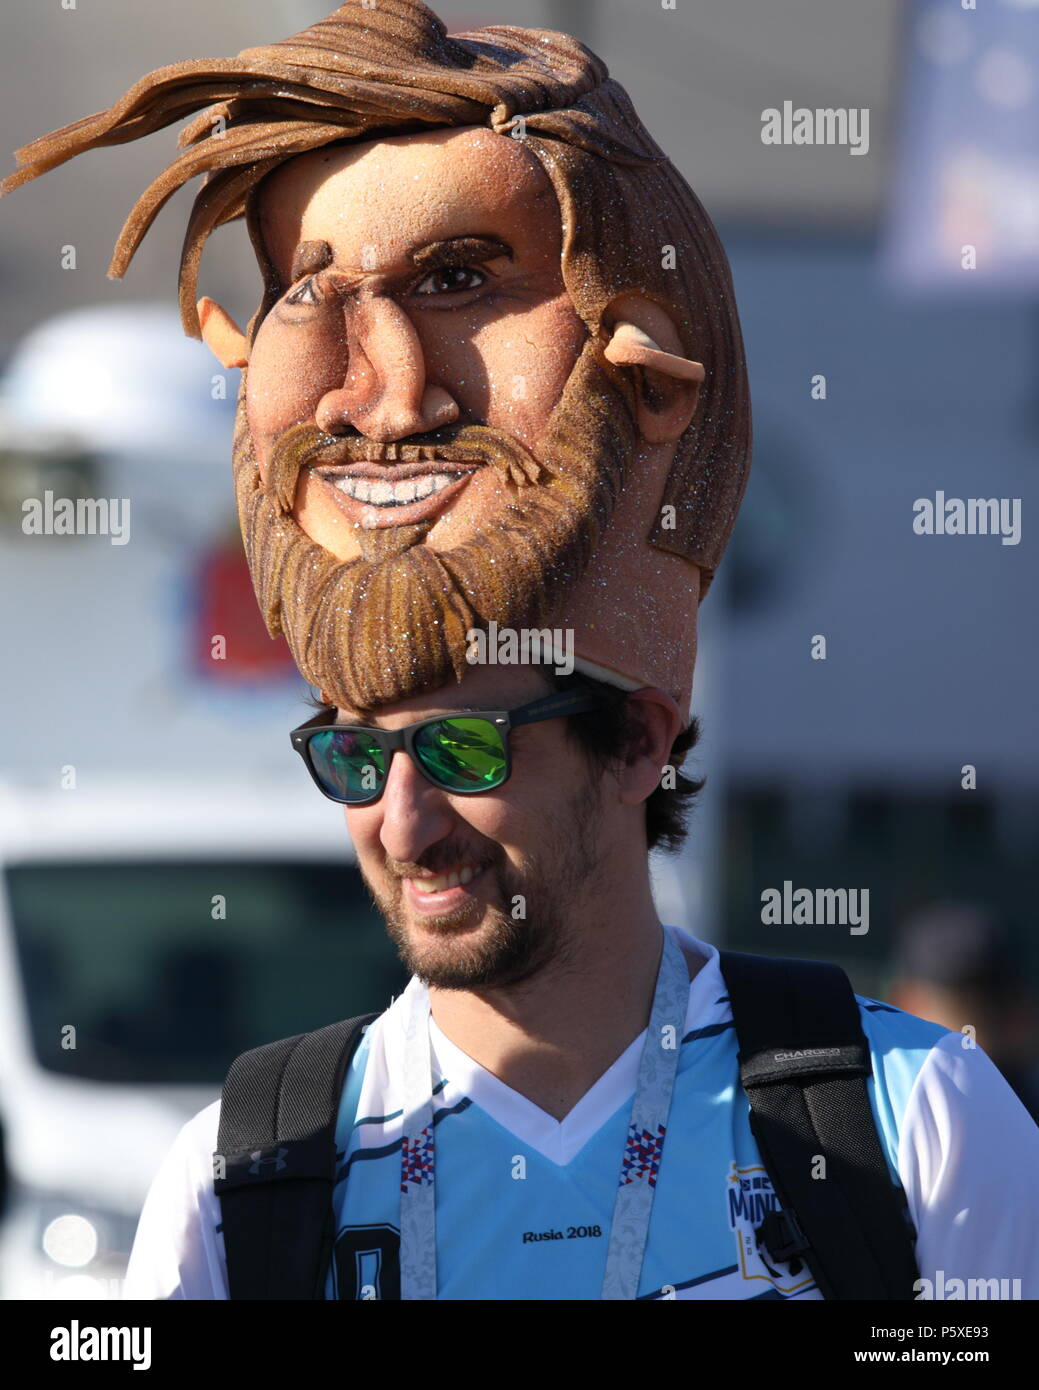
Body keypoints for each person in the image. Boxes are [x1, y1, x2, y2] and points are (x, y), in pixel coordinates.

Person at [123, 659, 1039, 1299]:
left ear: (639, 741)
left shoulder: (910, 1108)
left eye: (462, 749)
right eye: (355, 757)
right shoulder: (243, 1170)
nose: (401, 829)